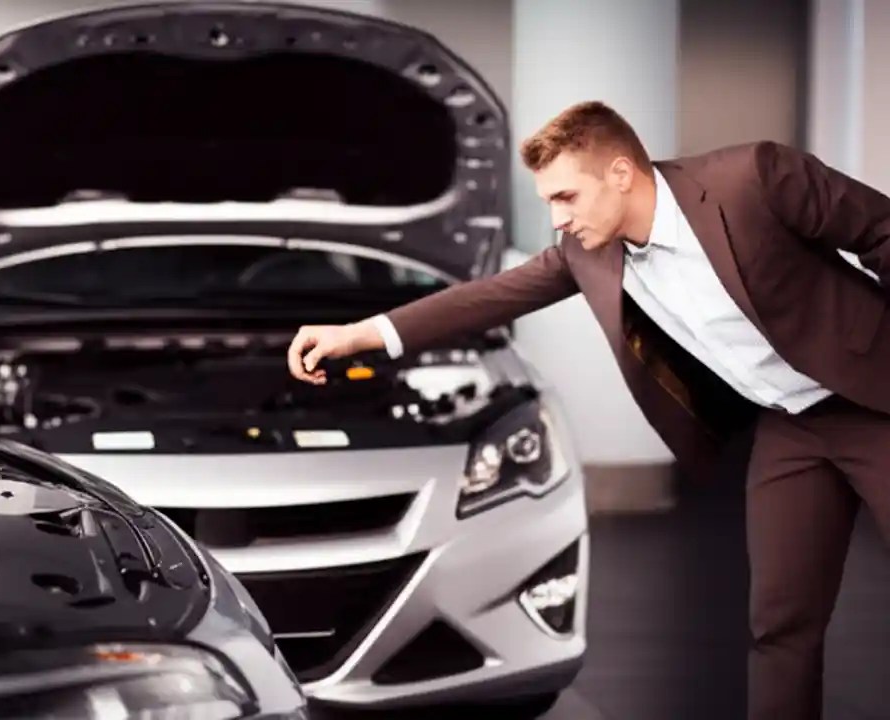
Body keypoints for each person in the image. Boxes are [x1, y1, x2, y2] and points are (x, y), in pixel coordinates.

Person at [285, 100, 890, 720]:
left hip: (874, 403)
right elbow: (488, 299)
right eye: (549, 201)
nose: (557, 218)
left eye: (567, 197)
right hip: (789, 429)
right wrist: (359, 334)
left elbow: (881, 230)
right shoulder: (588, 253)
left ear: (621, 174)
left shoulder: (753, 179)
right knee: (780, 626)